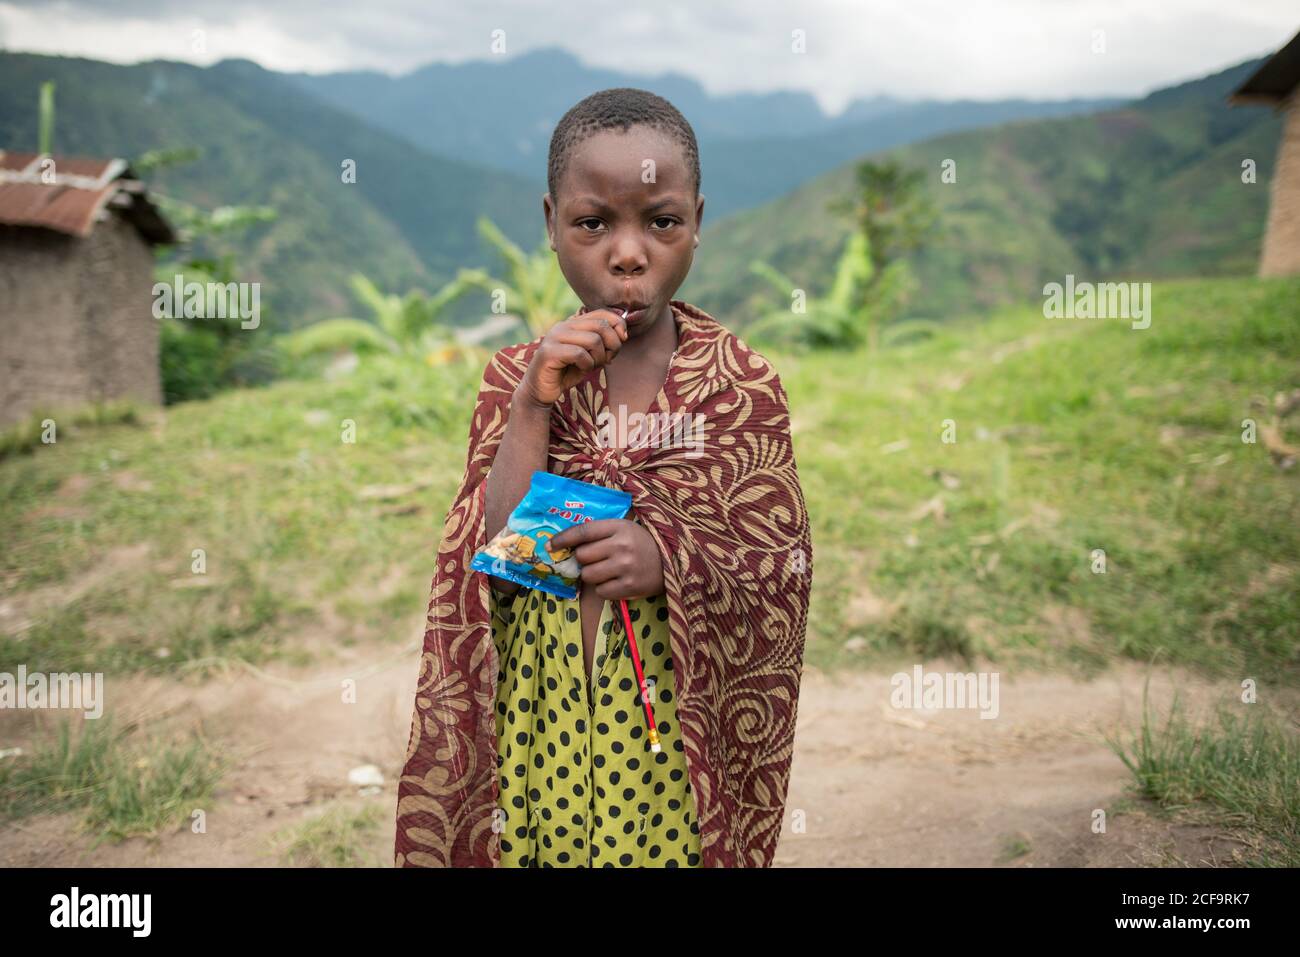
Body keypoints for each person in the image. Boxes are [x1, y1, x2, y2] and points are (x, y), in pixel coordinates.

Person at [394, 87, 813, 868]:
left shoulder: (737, 384)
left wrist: (667, 559)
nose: (628, 253)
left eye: (661, 222)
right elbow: (495, 554)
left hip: (670, 723)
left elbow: (775, 569)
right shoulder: (516, 379)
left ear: (697, 222)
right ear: (551, 223)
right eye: (593, 224)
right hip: (539, 709)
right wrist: (532, 407)